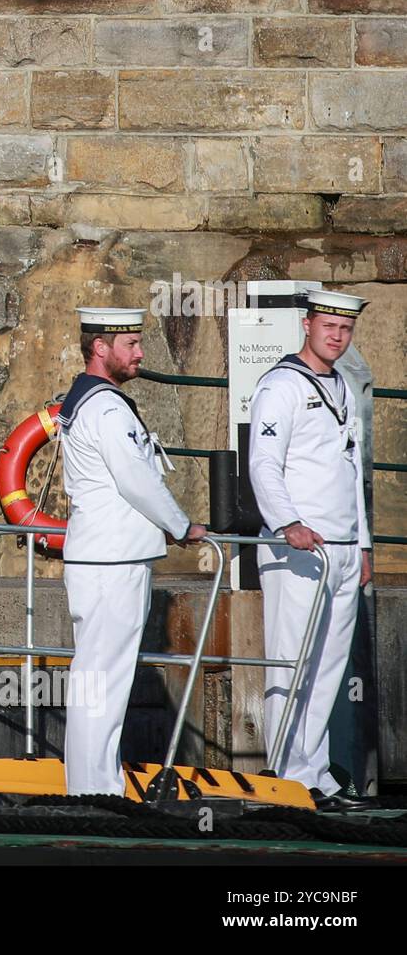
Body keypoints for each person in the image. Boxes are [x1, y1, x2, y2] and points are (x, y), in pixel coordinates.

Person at [58, 307, 206, 796]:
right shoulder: (105, 407)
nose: (140, 353)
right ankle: (95, 791)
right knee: (104, 680)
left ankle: (92, 785)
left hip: (102, 556)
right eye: (131, 344)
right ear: (100, 347)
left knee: (94, 679)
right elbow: (136, 479)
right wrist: (181, 525)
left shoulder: (88, 402)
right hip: (112, 561)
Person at [249, 289, 374, 812]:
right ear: (307, 324)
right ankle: (285, 774)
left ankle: (313, 772)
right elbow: (262, 463)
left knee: (327, 667)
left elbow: (350, 470)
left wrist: (364, 545)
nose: (337, 336)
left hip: (342, 547)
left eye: (344, 329)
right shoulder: (279, 386)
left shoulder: (343, 386)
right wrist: (288, 522)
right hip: (299, 549)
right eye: (328, 326)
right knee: (292, 662)